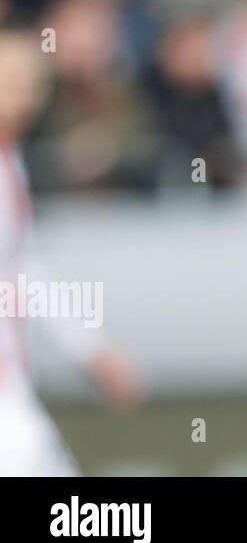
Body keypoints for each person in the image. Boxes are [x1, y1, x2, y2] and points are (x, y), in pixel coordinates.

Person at [0, 25, 145, 476]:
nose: (26, 97)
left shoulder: (11, 160)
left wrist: (90, 348)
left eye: (34, 84)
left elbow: (19, 270)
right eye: (12, 82)